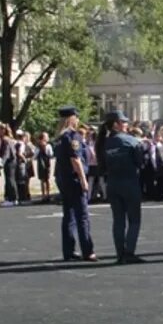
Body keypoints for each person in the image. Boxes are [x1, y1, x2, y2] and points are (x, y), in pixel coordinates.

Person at [54, 106, 96, 262]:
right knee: (82, 216)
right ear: (71, 119)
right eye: (76, 118)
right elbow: (75, 159)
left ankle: (69, 250)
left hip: (63, 179)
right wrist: (84, 180)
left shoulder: (59, 138)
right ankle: (87, 250)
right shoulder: (73, 137)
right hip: (74, 179)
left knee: (68, 216)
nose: (78, 120)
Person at [102, 110, 145, 264]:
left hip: (113, 183)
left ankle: (120, 253)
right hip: (130, 182)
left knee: (118, 220)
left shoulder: (104, 142)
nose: (127, 125)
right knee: (134, 220)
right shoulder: (131, 141)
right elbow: (140, 162)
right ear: (116, 124)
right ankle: (129, 252)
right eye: (124, 122)